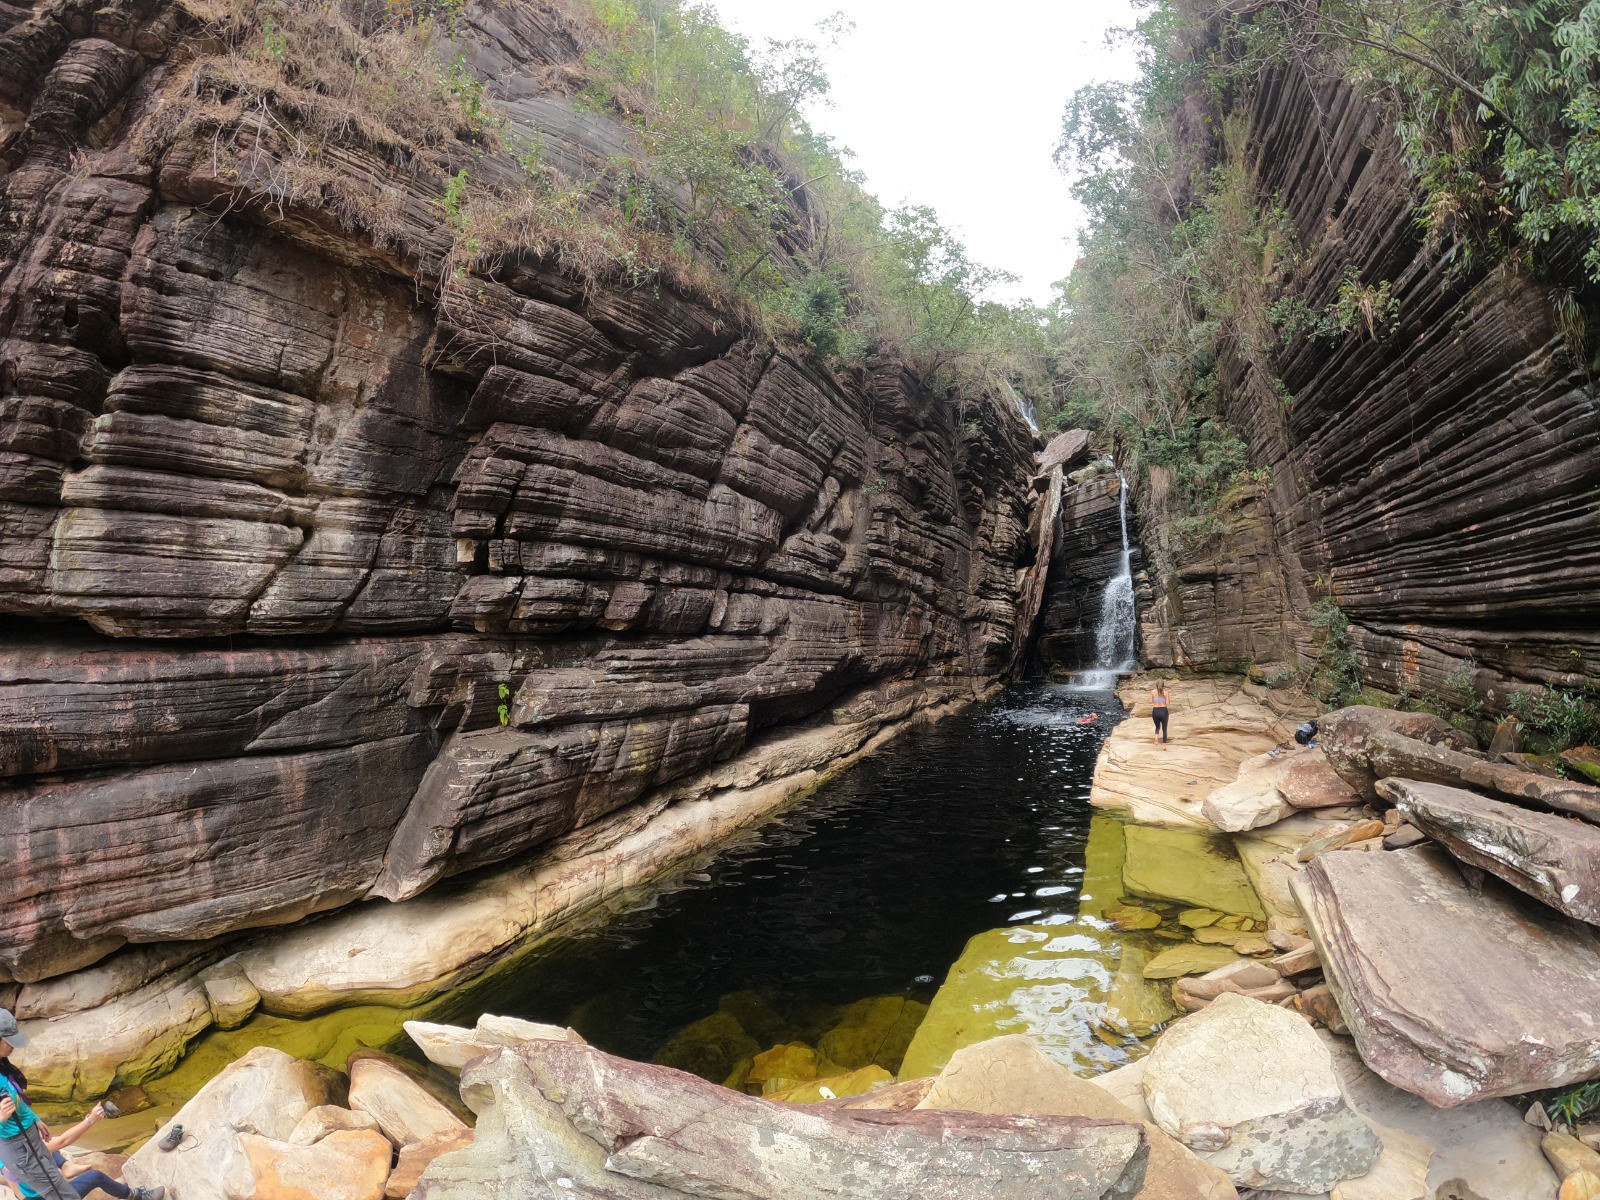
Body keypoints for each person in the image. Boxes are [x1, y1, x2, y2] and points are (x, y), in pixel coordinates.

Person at [0, 1012, 162, 1200]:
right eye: (9, 1040)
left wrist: (34, 1119)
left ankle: (132, 1195)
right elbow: (61, 1142)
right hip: (24, 1155)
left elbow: (15, 1100)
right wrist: (90, 1119)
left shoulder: (3, 1065)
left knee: (81, 1182)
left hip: (29, 1145)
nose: (13, 1046)